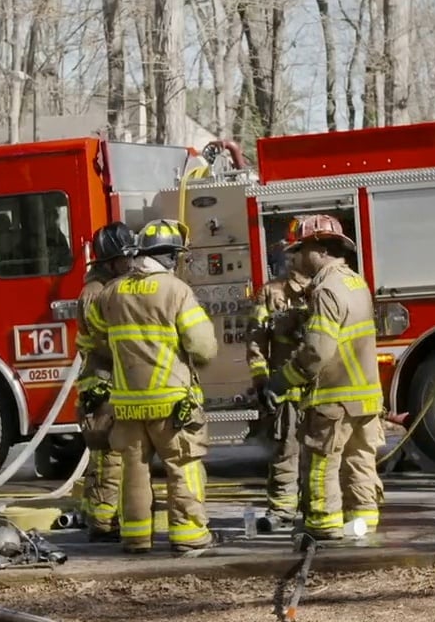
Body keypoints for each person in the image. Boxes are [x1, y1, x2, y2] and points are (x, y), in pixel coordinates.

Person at [85, 218, 219, 556]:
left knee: (133, 471)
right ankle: (189, 535)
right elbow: (203, 347)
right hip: (172, 404)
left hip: (126, 405)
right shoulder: (176, 291)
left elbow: (95, 340)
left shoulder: (112, 292)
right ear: (171, 257)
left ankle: (136, 538)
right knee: (183, 466)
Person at [265, 214, 384, 541]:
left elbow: (317, 351)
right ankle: (364, 523)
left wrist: (282, 379)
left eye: (301, 250)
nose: (297, 258)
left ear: (318, 249)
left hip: (334, 396)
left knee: (322, 464)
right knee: (359, 462)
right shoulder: (356, 282)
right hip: (366, 397)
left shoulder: (326, 290)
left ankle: (322, 526)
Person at [74, 221, 137, 543]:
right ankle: (103, 523)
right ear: (111, 261)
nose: (132, 264)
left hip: (107, 382)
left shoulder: (105, 288)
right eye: (127, 258)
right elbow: (105, 342)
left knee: (103, 458)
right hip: (102, 386)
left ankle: (94, 513)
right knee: (109, 456)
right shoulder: (96, 294)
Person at [246, 230, 311, 533]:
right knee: (285, 451)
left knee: (323, 453)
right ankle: (282, 510)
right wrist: (261, 382)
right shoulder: (271, 293)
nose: (290, 259)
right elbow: (256, 341)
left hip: (318, 389)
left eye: (295, 253)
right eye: (288, 253)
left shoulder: (323, 289)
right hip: (284, 392)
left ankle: (319, 508)